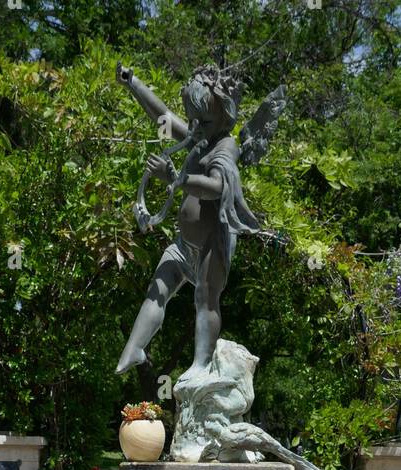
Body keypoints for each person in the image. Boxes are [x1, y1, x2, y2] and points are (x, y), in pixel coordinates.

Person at [115, 63, 279, 376]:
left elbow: (217, 187)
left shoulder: (225, 146)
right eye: (192, 118)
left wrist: (175, 178)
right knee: (157, 288)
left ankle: (201, 365)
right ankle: (135, 349)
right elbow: (162, 115)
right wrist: (133, 83)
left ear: (225, 116)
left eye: (202, 119)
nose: (195, 126)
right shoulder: (198, 135)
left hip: (211, 244)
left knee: (205, 298)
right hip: (183, 244)